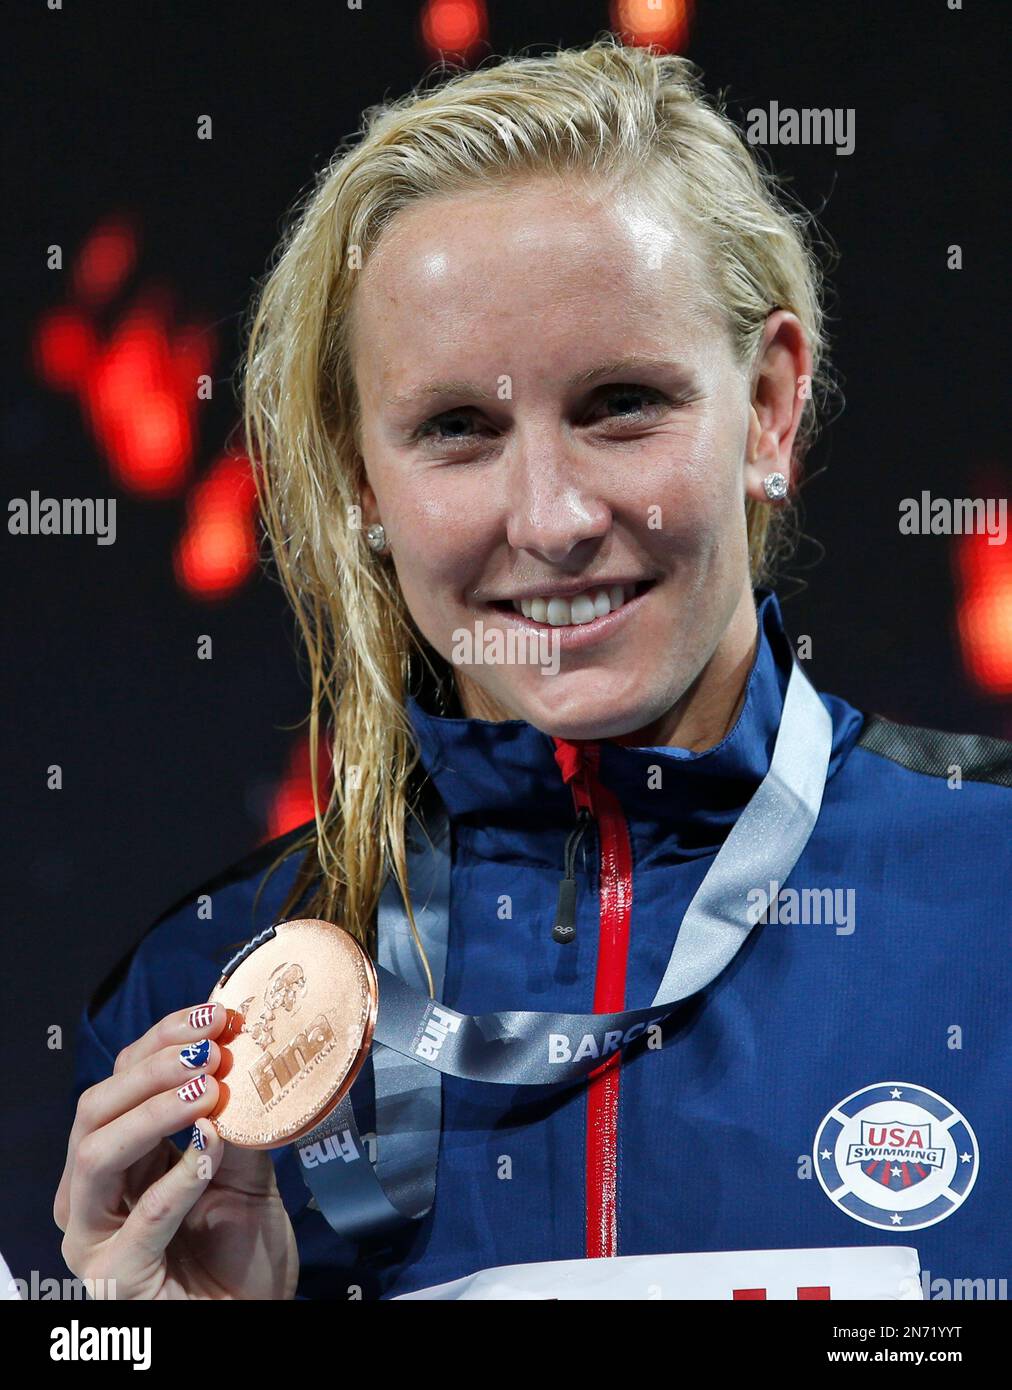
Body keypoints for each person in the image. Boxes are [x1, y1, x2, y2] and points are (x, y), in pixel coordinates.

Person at [57, 37, 1010, 1301]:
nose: (552, 518)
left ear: (771, 406)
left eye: (621, 403)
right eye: (458, 428)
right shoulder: (207, 1009)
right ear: (360, 479)